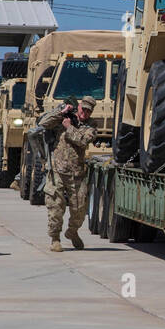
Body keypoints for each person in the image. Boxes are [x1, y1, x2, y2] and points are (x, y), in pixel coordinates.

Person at [38, 94, 96, 250]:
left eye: (88, 111)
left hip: (76, 173)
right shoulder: (64, 118)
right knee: (55, 207)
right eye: (83, 109)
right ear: (78, 107)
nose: (85, 113)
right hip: (58, 170)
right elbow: (43, 123)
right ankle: (55, 239)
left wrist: (69, 127)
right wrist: (61, 111)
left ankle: (72, 232)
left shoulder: (90, 127)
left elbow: (83, 141)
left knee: (80, 209)